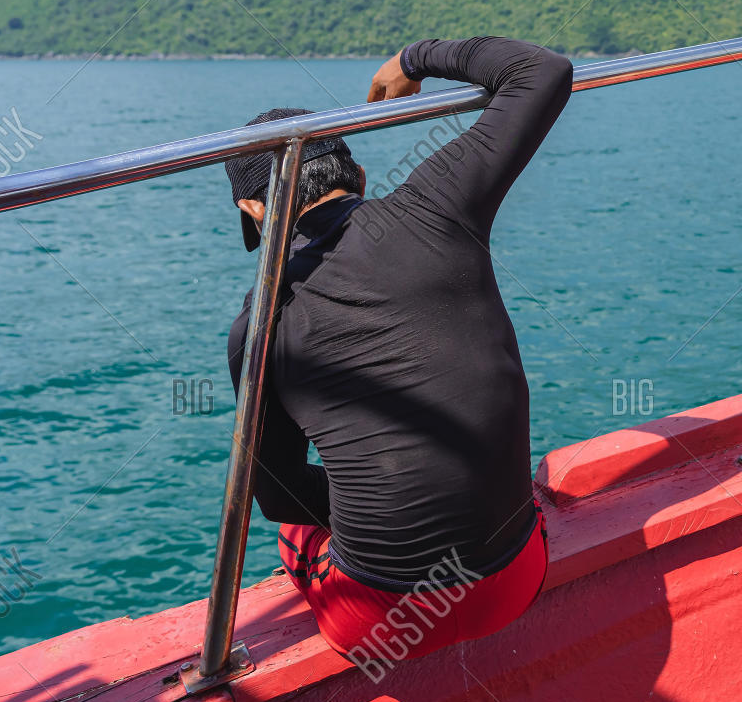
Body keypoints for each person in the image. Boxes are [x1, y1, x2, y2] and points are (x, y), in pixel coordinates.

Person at [223, 36, 572, 662]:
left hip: (378, 629)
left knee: (297, 532)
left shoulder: (257, 327)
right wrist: (413, 59)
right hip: (516, 581)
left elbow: (278, 497)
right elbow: (540, 71)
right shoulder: (434, 209)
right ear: (357, 176)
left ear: (254, 212)